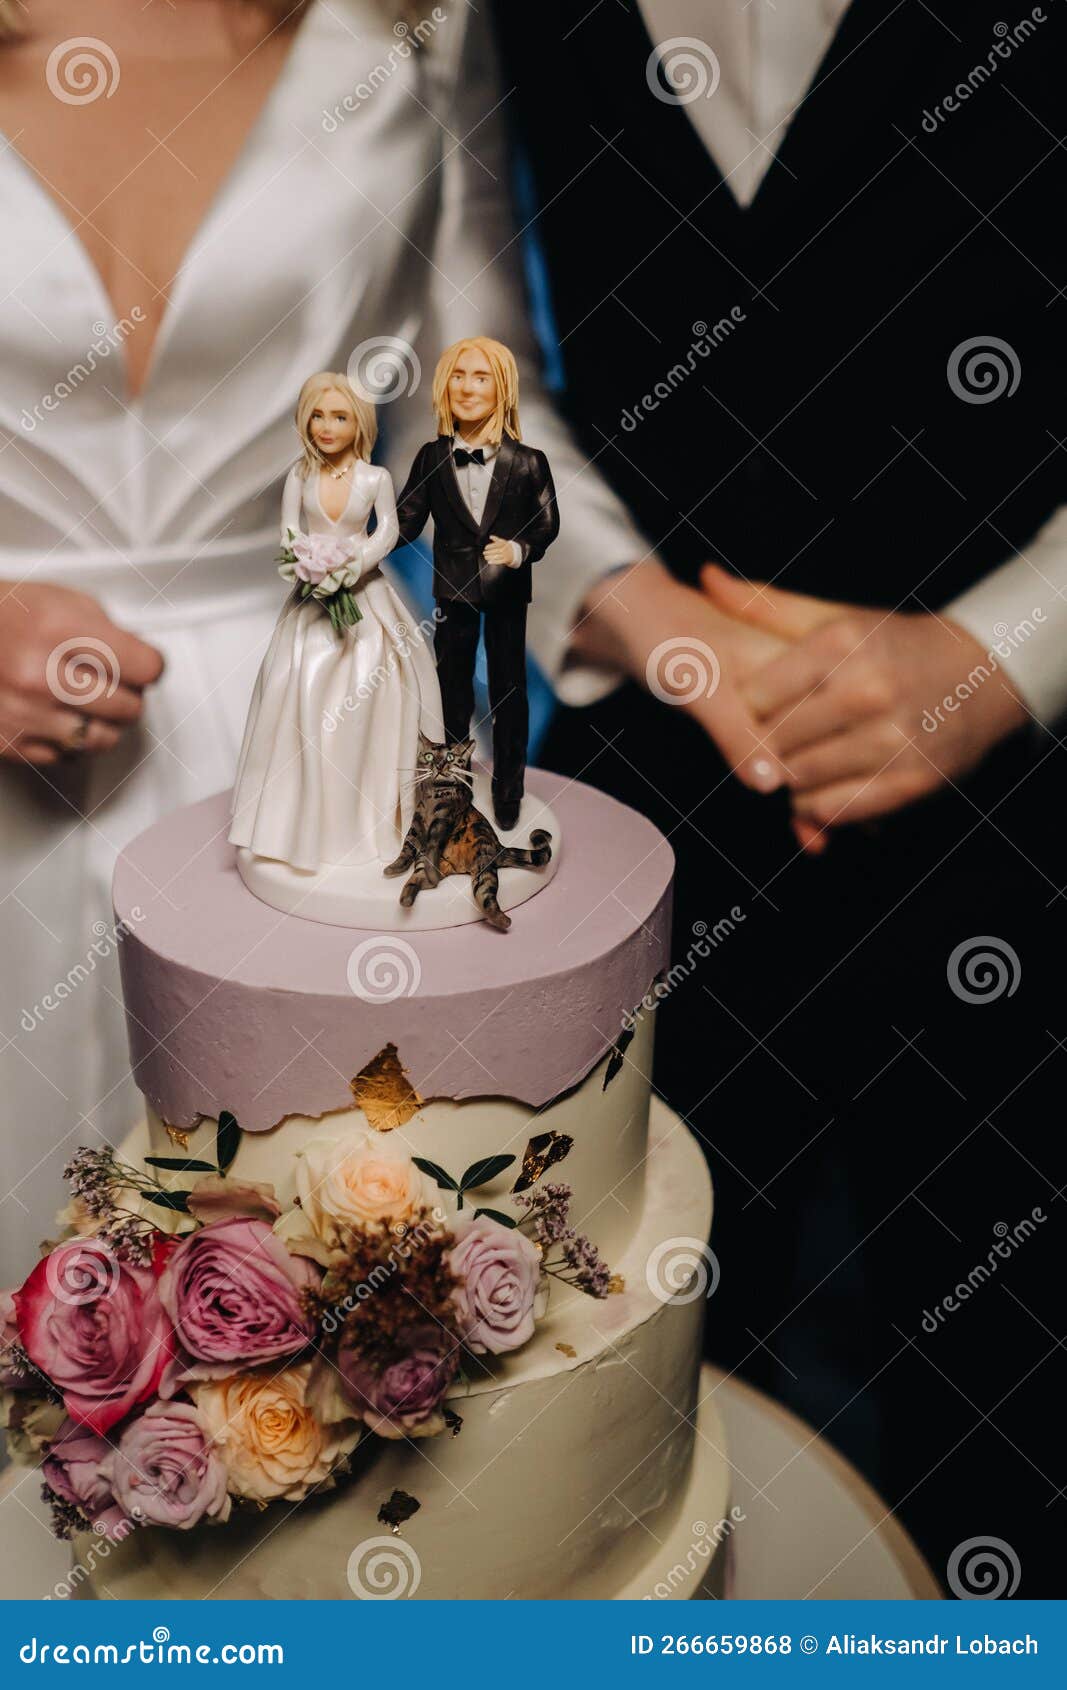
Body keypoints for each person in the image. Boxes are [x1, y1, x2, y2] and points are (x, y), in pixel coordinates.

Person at [494, 0, 1067, 1591]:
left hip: (1027, 819)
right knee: (589, 1421)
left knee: (1011, 1416)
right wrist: (658, 628)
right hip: (644, 810)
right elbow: (468, 358)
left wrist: (1001, 651)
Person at [0, 0, 648, 1280]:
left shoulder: (416, 21)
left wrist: (689, 639)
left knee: (327, 1312)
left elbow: (483, 427)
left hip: (309, 749)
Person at [229, 372, 442, 871]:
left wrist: (352, 564)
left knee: (373, 688)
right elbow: (287, 531)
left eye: (339, 416)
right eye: (318, 415)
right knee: (295, 689)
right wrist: (298, 562)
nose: (326, 426)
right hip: (310, 603)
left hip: (364, 601)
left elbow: (387, 530)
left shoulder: (375, 479)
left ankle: (368, 818)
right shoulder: (299, 476)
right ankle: (296, 823)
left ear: (359, 422)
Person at [396, 338, 559, 830]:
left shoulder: (529, 461)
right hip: (452, 590)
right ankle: (452, 784)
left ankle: (509, 788)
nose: (467, 387)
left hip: (508, 591)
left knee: (510, 692)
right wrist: (356, 550)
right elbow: (406, 519)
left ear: (503, 387)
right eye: (458, 376)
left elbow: (547, 524)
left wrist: (520, 550)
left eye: (480, 376)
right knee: (452, 690)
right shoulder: (431, 457)